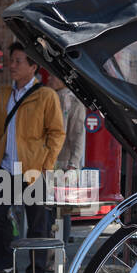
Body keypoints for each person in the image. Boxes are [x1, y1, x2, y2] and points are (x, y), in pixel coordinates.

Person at [0, 43, 64, 273]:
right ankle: (5, 267)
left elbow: (57, 133)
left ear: (33, 66)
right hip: (6, 167)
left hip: (33, 169)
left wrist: (45, 165)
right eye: (11, 60)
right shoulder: (6, 94)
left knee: (37, 223)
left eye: (19, 61)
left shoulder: (46, 95)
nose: (12, 65)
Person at [44, 70, 86, 244]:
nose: (50, 78)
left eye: (54, 75)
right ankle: (47, 251)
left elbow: (78, 135)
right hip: (46, 161)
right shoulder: (48, 97)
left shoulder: (73, 101)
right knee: (47, 209)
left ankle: (58, 253)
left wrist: (73, 165)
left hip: (63, 163)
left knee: (61, 210)